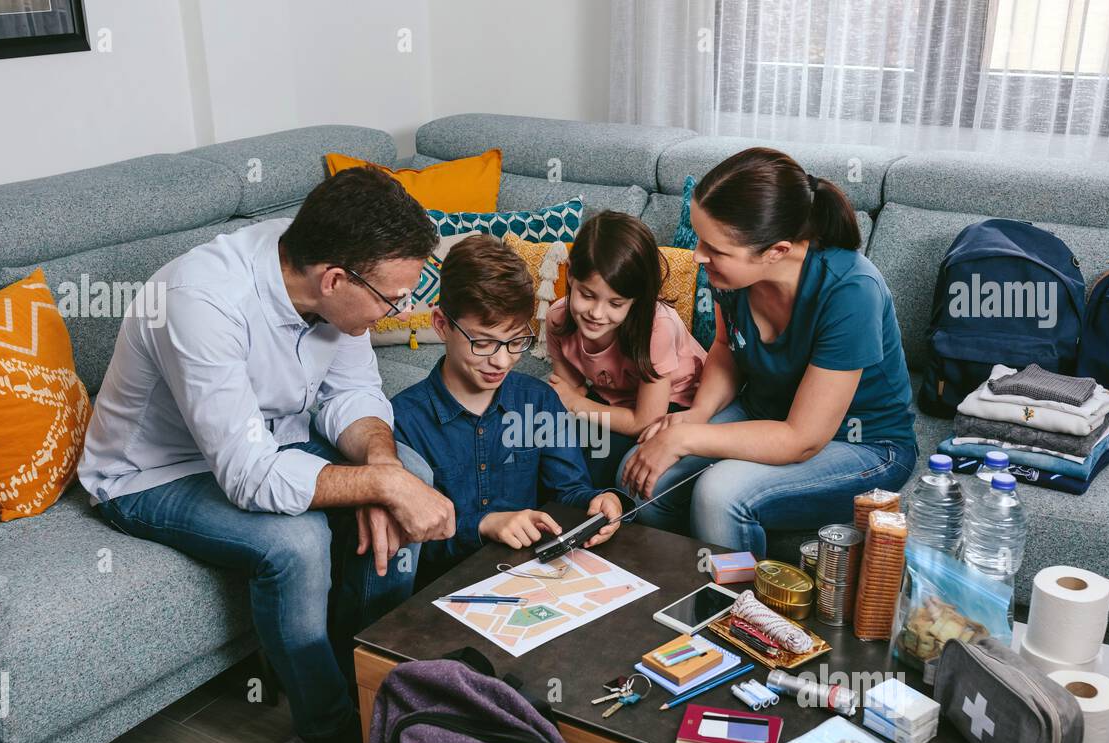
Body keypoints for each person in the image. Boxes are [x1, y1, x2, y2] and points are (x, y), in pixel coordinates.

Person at [78, 166, 455, 743]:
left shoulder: (327, 271)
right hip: (152, 475)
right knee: (297, 541)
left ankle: (369, 682)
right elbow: (249, 476)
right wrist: (379, 485)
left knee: (412, 469)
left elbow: (352, 394)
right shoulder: (200, 302)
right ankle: (331, 724)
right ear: (335, 279)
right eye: (391, 298)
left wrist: (384, 467)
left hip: (274, 440)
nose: (397, 311)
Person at [620, 147, 917, 555]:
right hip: (765, 412)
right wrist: (697, 415)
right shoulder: (729, 275)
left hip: (863, 444)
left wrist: (687, 439)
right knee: (638, 473)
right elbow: (726, 347)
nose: (698, 256)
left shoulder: (851, 290)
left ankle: (732, 612)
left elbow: (801, 438)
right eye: (701, 241)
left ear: (776, 250)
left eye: (716, 249)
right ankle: (674, 587)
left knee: (720, 493)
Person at [393, 234, 623, 576]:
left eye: (516, 340)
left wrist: (599, 501)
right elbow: (406, 544)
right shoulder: (403, 421)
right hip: (439, 595)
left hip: (530, 580)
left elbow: (569, 491)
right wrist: (483, 525)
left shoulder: (538, 401)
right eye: (483, 342)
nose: (502, 360)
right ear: (441, 325)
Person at [545, 211, 707, 487]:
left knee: (597, 470)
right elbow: (567, 392)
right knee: (550, 455)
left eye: (616, 304)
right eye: (587, 295)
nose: (597, 313)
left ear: (635, 299)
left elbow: (645, 420)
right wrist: (573, 405)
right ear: (570, 274)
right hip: (612, 400)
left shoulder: (658, 327)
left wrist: (577, 404)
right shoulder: (557, 318)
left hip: (672, 403)